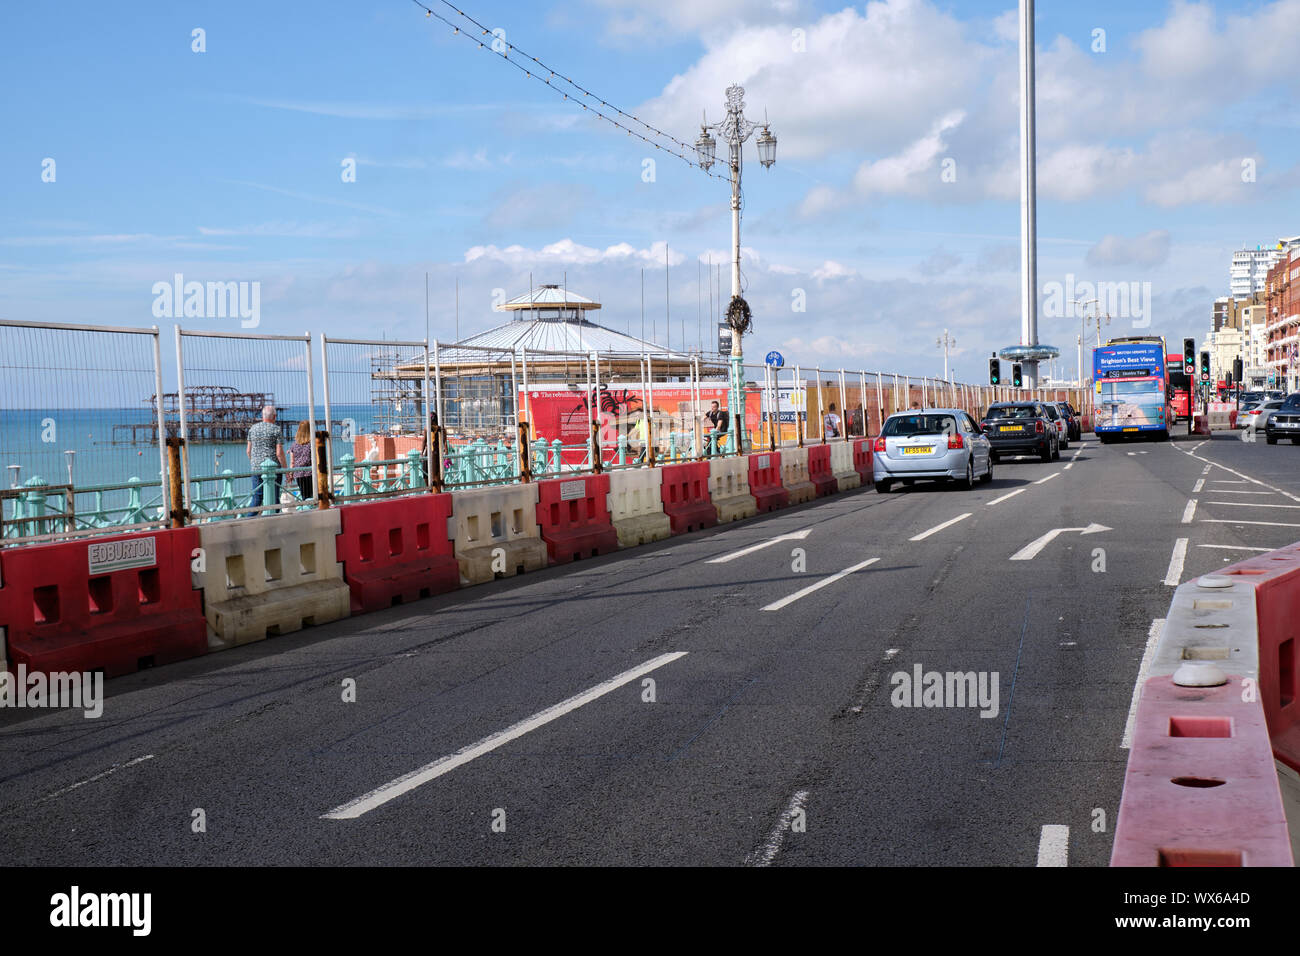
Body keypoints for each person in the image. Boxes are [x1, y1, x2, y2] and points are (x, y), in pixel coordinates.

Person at [246, 405, 285, 516]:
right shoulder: (276, 429)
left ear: (262, 416)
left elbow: (248, 451)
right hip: (274, 470)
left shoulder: (253, 428)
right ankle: (274, 519)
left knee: (257, 497)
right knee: (274, 497)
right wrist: (286, 470)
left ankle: (248, 520)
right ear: (275, 416)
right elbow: (279, 453)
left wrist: (255, 463)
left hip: (256, 468)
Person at [287, 421, 314, 501]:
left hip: (298, 473)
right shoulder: (312, 444)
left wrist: (291, 474)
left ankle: (306, 510)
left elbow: (292, 462)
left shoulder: (294, 445)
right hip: (310, 473)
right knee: (313, 496)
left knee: (304, 496)